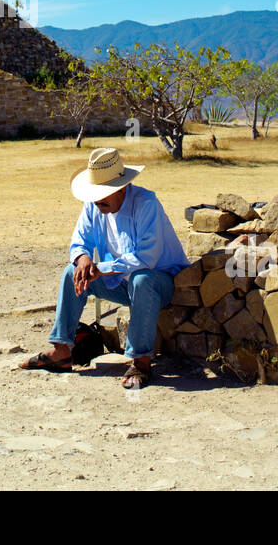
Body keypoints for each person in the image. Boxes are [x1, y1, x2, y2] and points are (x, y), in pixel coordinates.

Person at [18, 147, 189, 389]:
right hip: (121, 283)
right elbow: (79, 242)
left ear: (121, 188)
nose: (99, 200)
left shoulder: (146, 203)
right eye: (96, 193)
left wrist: (102, 268)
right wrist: (83, 259)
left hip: (160, 284)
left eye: (104, 193)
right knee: (72, 273)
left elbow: (147, 258)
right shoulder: (93, 205)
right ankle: (62, 351)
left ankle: (140, 361)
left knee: (142, 279)